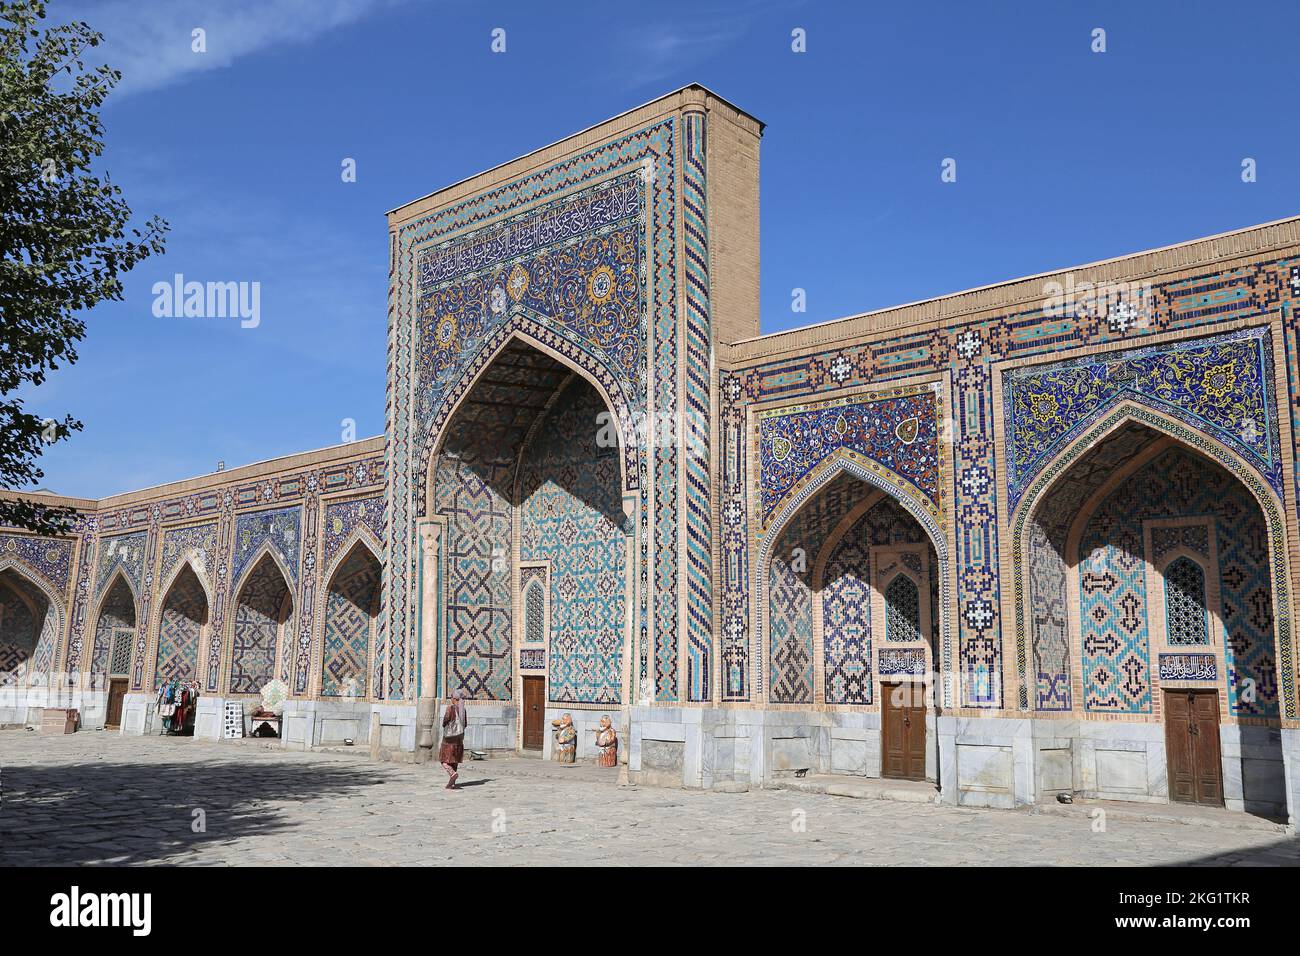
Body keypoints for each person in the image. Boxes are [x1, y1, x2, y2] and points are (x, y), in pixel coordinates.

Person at [440, 688, 469, 789]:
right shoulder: (463, 710)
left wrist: (445, 725)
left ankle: (452, 773)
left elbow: (445, 720)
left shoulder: (450, 708)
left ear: (455, 698)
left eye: (451, 697)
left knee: (443, 759)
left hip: (449, 738)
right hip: (459, 738)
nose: (451, 699)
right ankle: (452, 783)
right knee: (454, 759)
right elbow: (465, 724)